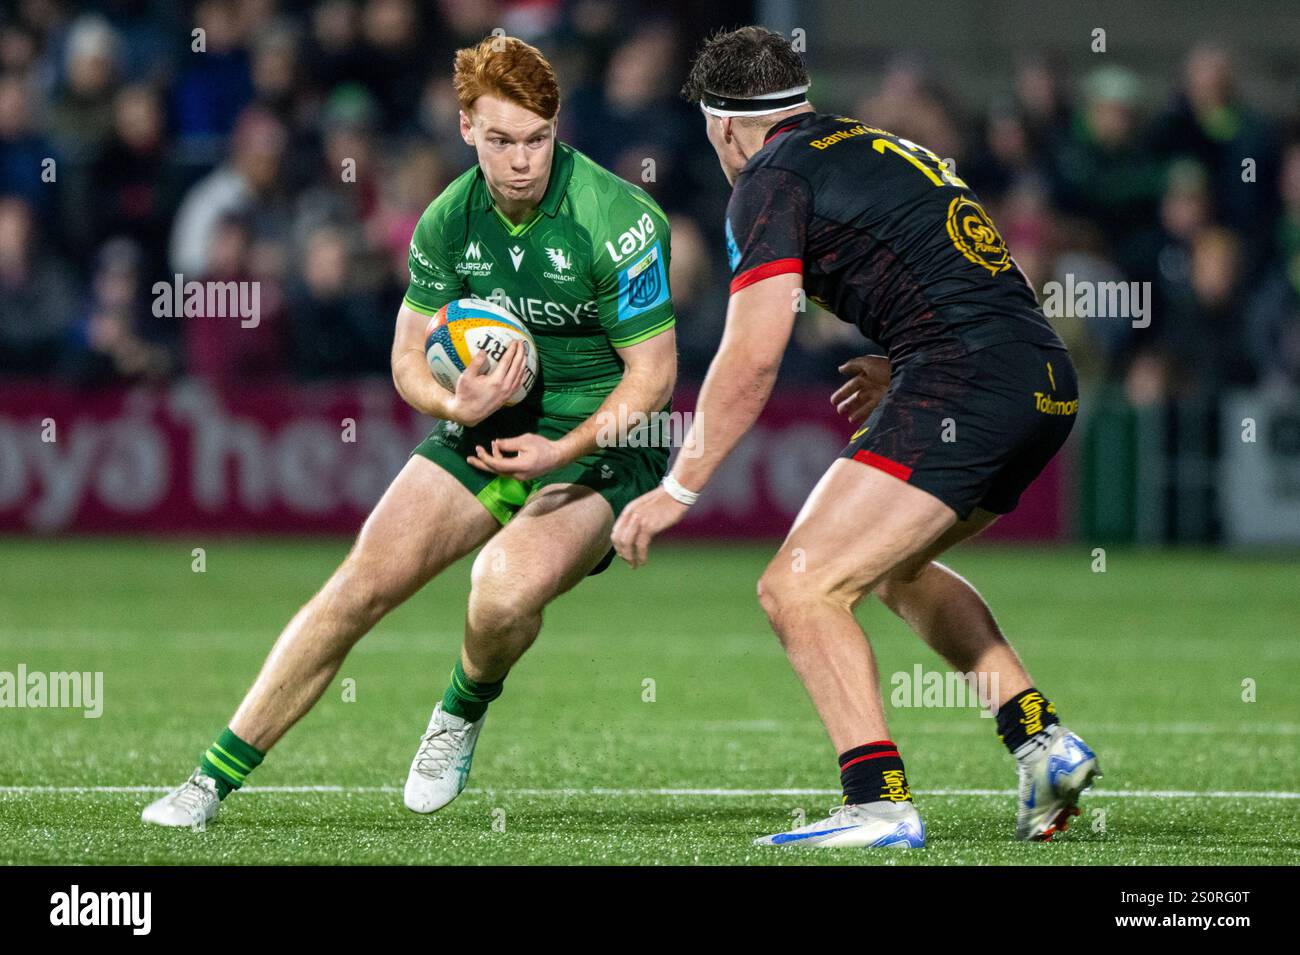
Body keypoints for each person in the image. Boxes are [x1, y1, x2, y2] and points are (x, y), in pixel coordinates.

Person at [143, 35, 677, 827]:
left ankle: (460, 709)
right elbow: (406, 354)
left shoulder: (621, 220)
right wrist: (453, 404)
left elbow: (653, 377)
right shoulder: (446, 221)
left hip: (602, 446)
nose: (522, 160)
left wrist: (560, 449)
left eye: (537, 138)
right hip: (491, 426)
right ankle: (209, 780)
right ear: (466, 128)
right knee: (357, 585)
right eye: (501, 140)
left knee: (500, 591)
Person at [612, 26, 1099, 848]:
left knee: (797, 587)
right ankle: (1042, 741)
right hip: (1039, 379)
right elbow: (969, 272)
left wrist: (678, 485)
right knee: (893, 570)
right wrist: (900, 355)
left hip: (964, 380)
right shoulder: (874, 143)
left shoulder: (767, 179)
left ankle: (878, 803)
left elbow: (751, 356)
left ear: (725, 124)